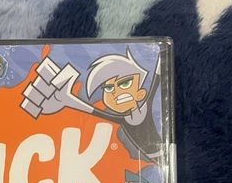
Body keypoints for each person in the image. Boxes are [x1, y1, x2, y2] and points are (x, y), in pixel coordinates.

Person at [21, 48, 162, 163]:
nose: (115, 92)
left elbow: (158, 74)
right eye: (108, 88)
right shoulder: (122, 120)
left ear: (140, 94)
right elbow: (92, 110)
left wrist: (161, 53)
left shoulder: (149, 104)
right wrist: (65, 99)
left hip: (161, 158)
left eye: (125, 83)